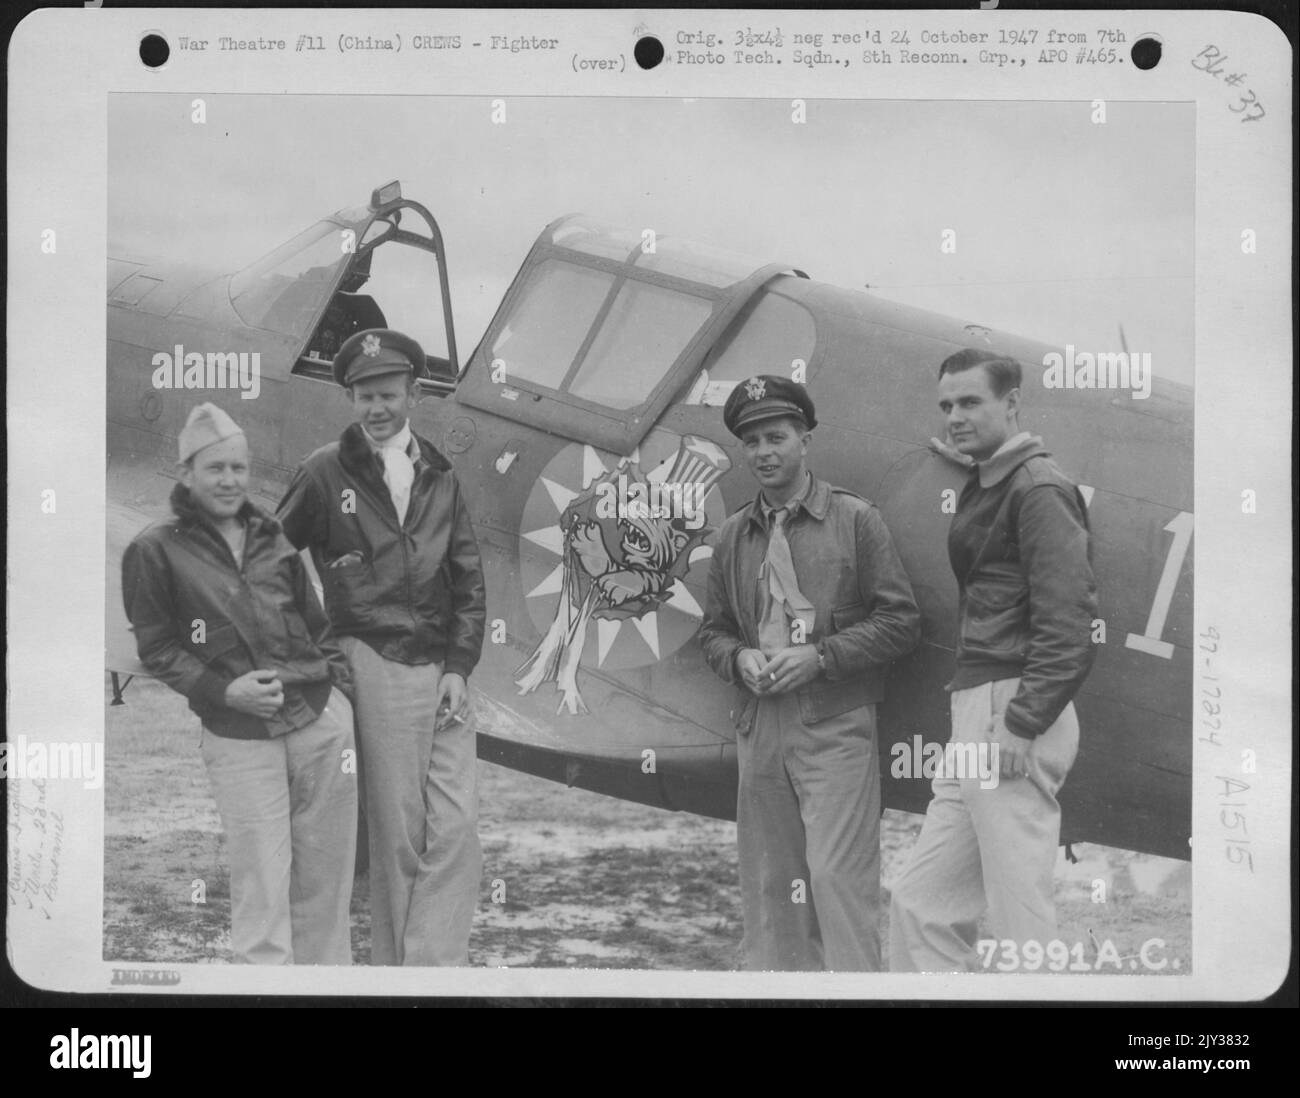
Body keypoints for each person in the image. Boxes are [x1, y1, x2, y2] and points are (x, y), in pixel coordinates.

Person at [277, 328, 486, 966]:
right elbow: (268, 560)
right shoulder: (322, 471)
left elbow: (468, 577)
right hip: (374, 661)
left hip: (442, 671)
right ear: (349, 397)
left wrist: (460, 665)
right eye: (364, 396)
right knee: (399, 835)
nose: (376, 408)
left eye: (388, 395)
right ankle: (401, 977)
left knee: (456, 828)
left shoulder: (442, 476)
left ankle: (434, 968)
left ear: (414, 394)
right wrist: (320, 647)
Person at [121, 403, 357, 965]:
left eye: (239, 468)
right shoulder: (154, 550)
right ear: (186, 473)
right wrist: (223, 692)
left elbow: (316, 623)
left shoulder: (271, 535)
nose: (230, 480)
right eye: (215, 468)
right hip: (238, 735)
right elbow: (156, 647)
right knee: (261, 886)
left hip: (319, 723)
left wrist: (338, 694)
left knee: (327, 884)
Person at [699, 375, 921, 971]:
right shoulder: (732, 536)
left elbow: (901, 623)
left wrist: (820, 657)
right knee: (773, 890)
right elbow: (713, 632)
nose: (764, 452)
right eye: (753, 441)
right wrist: (739, 658)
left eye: (776, 436)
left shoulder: (855, 520)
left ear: (806, 440)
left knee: (836, 882)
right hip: (759, 727)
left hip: (835, 724)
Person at [889, 348, 1098, 972]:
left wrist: (1022, 721)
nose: (955, 416)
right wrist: (977, 460)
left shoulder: (1038, 491)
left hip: (1010, 712)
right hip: (978, 711)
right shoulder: (1000, 479)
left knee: (1020, 920)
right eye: (946, 406)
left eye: (971, 403)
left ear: (1012, 404)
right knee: (919, 903)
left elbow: (1070, 624)